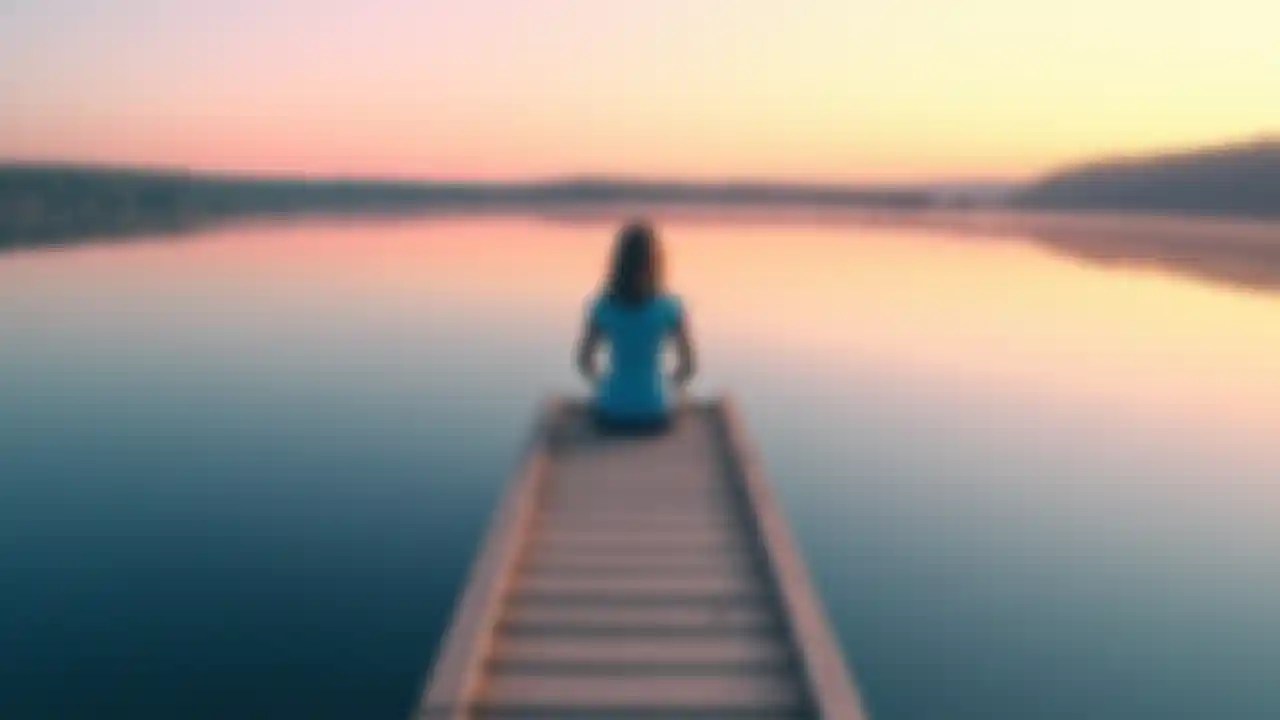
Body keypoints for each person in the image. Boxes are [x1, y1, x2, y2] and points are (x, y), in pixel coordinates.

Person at [576, 221, 696, 433]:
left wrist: (605, 384)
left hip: (612, 411)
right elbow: (688, 366)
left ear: (617, 261)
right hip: (655, 412)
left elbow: (585, 362)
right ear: (657, 261)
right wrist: (668, 386)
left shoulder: (602, 306)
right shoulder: (671, 306)